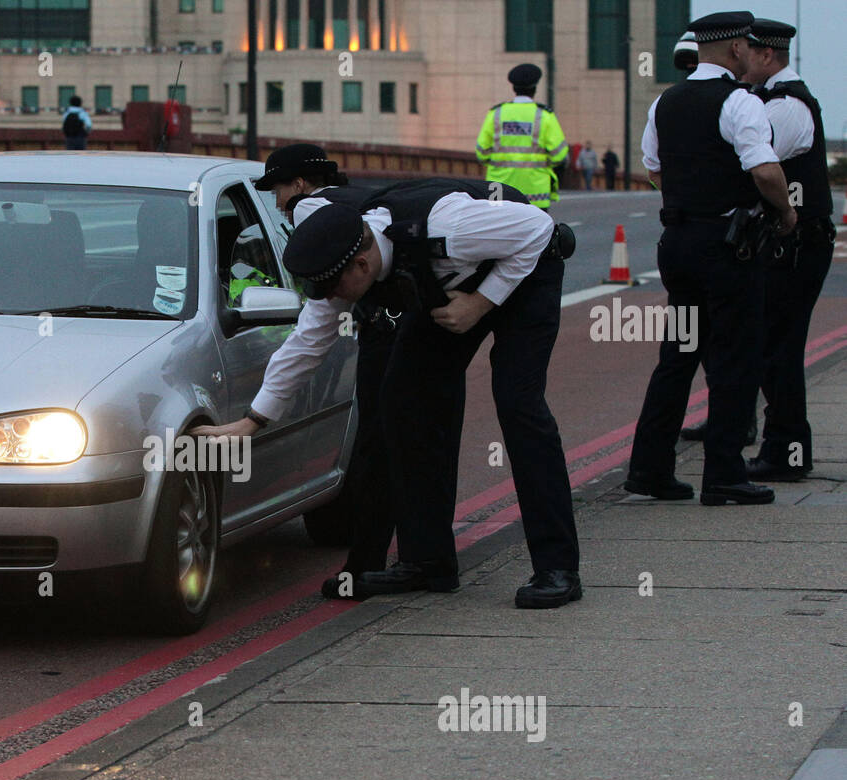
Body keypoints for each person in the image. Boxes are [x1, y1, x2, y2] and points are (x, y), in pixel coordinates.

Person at [195, 176, 582, 609]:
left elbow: (538, 229)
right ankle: (427, 562)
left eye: (334, 289)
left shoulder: (449, 224)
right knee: (402, 403)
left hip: (526, 269)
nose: (331, 300)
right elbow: (304, 345)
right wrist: (252, 421)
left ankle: (557, 567)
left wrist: (480, 303)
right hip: (447, 284)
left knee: (518, 404)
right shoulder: (344, 261)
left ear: (362, 266)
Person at [623, 10, 797, 507]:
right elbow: (764, 171)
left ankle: (650, 470)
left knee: (676, 359)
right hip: (727, 246)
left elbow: (654, 168)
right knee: (734, 360)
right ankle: (723, 475)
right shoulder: (738, 101)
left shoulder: (666, 102)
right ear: (738, 50)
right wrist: (785, 213)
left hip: (677, 244)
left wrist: (687, 200)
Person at [246, 144, 396, 599]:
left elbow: (314, 328)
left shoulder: (312, 211)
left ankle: (368, 565)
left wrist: (256, 417)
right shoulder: (361, 201)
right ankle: (425, 558)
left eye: (277, 191)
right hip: (407, 317)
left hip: (384, 329)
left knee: (375, 448)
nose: (277, 205)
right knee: (405, 443)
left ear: (298, 184)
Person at [740, 18, 836, 482]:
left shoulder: (786, 106)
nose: (738, 60)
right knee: (774, 345)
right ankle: (782, 446)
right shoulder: (768, 99)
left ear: (765, 55)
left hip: (797, 242)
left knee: (779, 346)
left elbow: (757, 167)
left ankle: (786, 452)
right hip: (791, 241)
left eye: (745, 52)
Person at [475, 63, 569, 210]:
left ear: (513, 88)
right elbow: (559, 155)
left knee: (498, 231)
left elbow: (481, 153)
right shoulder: (544, 115)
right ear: (535, 88)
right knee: (534, 232)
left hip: (498, 190)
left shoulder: (496, 114)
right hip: (535, 191)